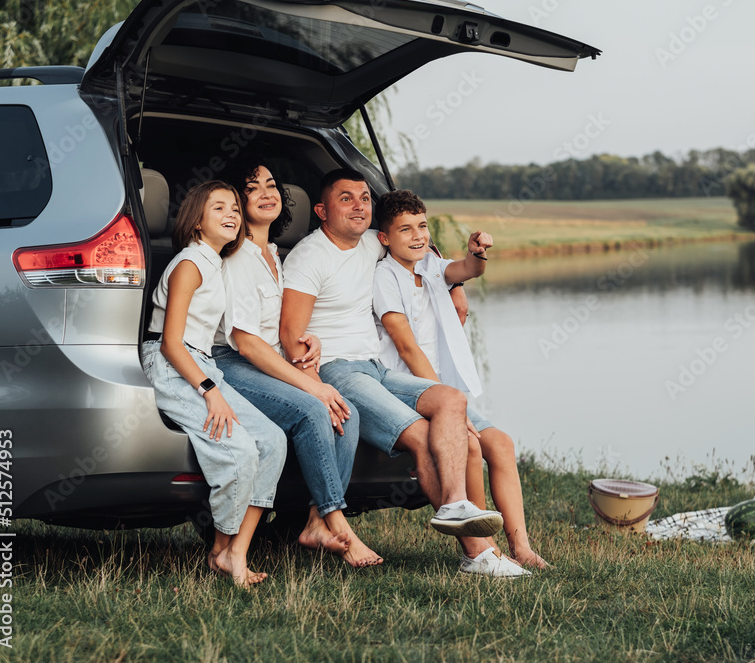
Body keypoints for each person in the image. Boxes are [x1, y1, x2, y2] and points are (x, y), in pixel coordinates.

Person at [280, 169, 529, 577]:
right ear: (322, 211)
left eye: (364, 197)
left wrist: (456, 285)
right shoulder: (310, 257)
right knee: (424, 437)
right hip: (338, 370)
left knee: (451, 399)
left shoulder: (369, 244)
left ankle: (455, 504)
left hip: (375, 367)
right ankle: (478, 554)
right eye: (346, 198)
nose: (359, 206)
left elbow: (420, 248)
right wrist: (317, 389)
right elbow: (291, 337)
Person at [212, 161, 382, 568]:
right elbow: (247, 344)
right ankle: (336, 522)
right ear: (237, 201)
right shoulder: (236, 257)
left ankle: (315, 522)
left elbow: (279, 328)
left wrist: (311, 341)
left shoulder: (272, 253)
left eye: (272, 184)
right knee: (313, 408)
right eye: (252, 188)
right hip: (230, 362)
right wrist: (313, 386)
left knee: (346, 412)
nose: (266, 193)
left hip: (267, 359)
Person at [372, 189, 549, 569]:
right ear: (384, 238)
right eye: (406, 229)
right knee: (469, 444)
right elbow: (406, 347)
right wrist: (445, 397)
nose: (418, 236)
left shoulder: (431, 267)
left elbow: (467, 270)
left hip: (442, 388)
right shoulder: (384, 277)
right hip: (408, 387)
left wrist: (477, 253)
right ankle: (486, 549)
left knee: (500, 443)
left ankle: (521, 548)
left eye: (422, 226)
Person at [141, 180, 286, 587]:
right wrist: (210, 391)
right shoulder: (190, 264)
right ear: (196, 222)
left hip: (202, 362)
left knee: (272, 441)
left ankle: (233, 550)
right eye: (219, 207)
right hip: (173, 364)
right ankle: (221, 550)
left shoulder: (218, 264)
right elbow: (170, 343)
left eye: (235, 208)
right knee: (239, 451)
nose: (232, 214)